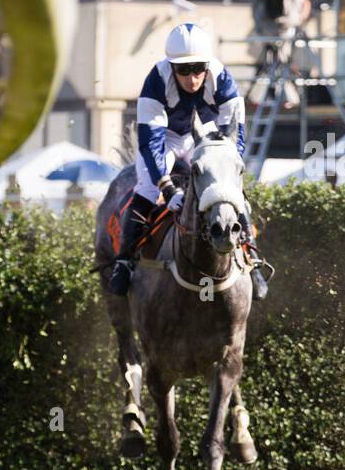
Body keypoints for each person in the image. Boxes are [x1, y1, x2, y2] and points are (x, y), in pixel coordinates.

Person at [107, 22, 270, 298]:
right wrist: (167, 189)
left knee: (229, 189)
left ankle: (252, 262)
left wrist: (224, 163)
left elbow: (236, 137)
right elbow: (150, 143)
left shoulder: (223, 80)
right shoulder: (156, 82)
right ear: (171, 67)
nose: (192, 77)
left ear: (208, 66)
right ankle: (123, 262)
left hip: (206, 136)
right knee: (147, 187)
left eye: (198, 69)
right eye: (183, 69)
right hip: (166, 138)